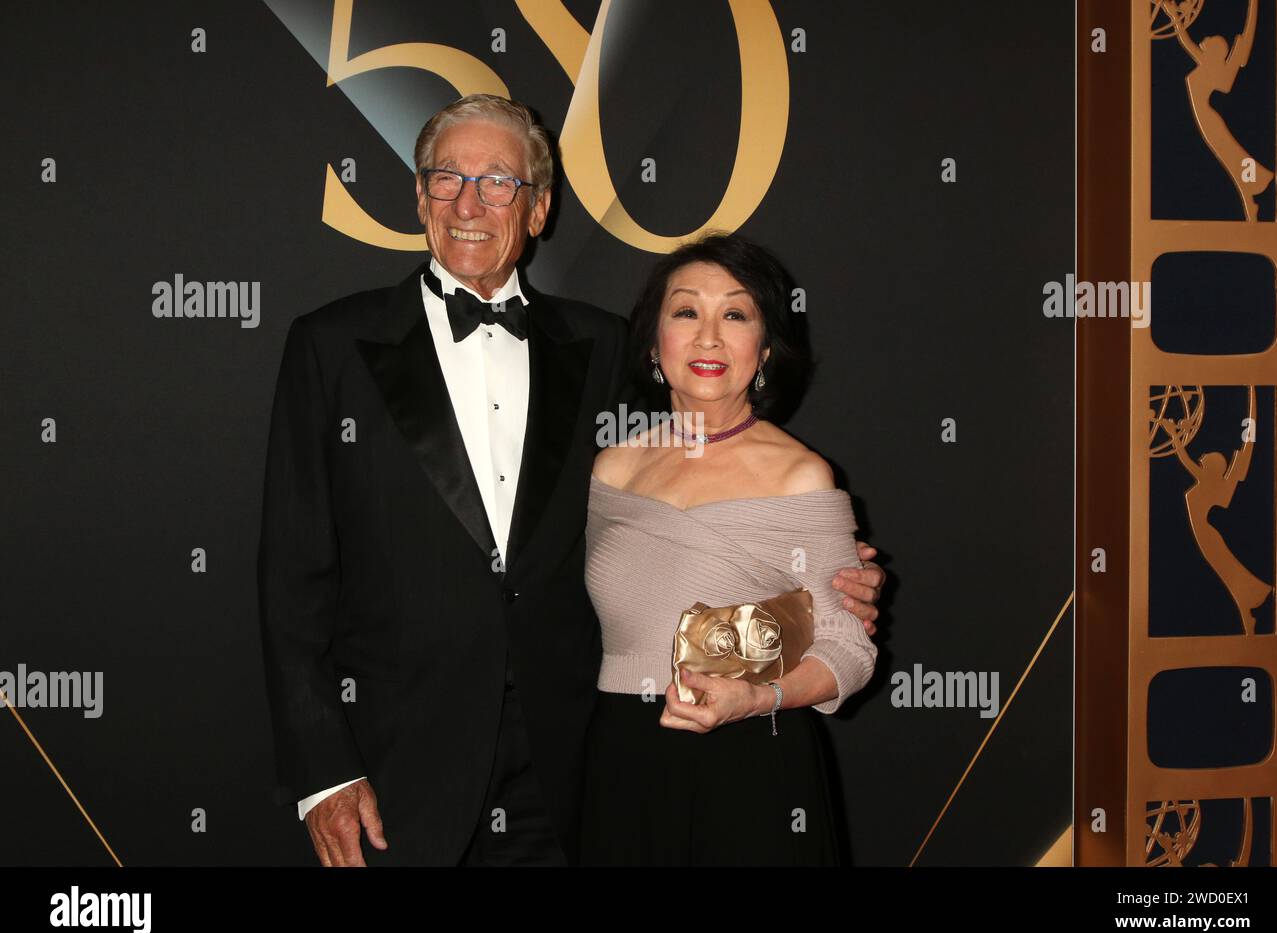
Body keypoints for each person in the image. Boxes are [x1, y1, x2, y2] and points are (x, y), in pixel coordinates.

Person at [257, 93, 885, 867]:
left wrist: (831, 585)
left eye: (499, 182)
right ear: (419, 195)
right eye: (447, 177)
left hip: (573, 776)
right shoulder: (331, 346)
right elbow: (292, 579)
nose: (469, 202)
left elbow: (692, 513)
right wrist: (324, 773)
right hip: (393, 776)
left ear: (540, 208)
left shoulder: (601, 349)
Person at [580, 232, 876, 865]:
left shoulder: (801, 476)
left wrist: (754, 696)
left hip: (751, 761)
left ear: (764, 349)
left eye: (735, 314)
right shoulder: (611, 470)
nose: (709, 336)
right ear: (655, 342)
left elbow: (848, 648)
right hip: (623, 762)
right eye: (686, 311)